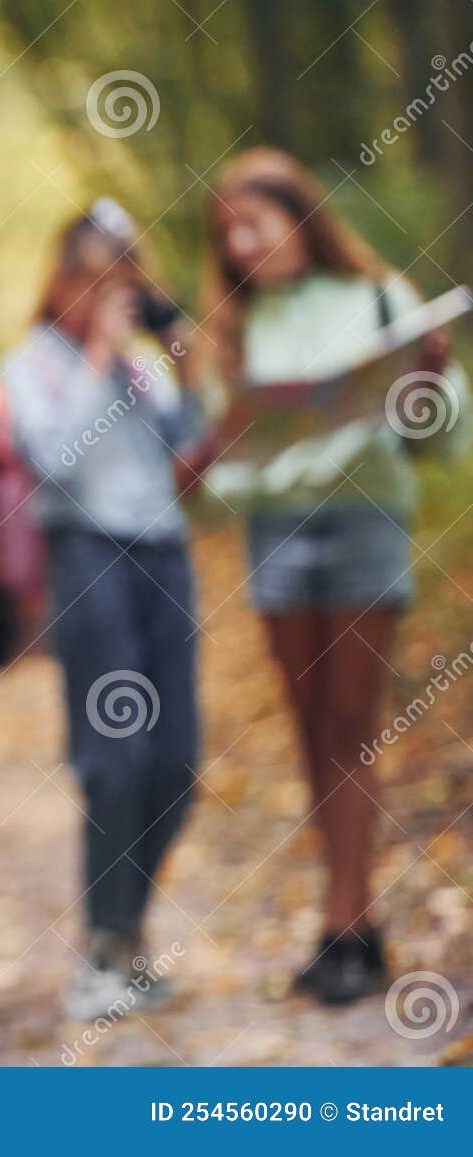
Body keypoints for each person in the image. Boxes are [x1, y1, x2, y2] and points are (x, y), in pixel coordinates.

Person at [200, 147, 469, 1004]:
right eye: (228, 233)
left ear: (300, 215)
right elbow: (217, 471)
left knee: (352, 722)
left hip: (365, 520)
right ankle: (344, 913)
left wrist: (428, 378)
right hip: (277, 530)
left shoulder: (380, 297)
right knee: (312, 728)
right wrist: (227, 451)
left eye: (256, 222)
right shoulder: (234, 329)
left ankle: (348, 920)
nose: (243, 245)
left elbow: (442, 438)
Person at [1, 200, 208, 1021]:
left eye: (124, 277)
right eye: (94, 278)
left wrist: (186, 367)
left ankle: (125, 931)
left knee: (178, 763)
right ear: (62, 280)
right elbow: (56, 459)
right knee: (116, 755)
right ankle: (102, 948)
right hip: (88, 556)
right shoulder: (35, 362)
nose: (111, 295)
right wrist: (98, 353)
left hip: (165, 552)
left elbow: (187, 444)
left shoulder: (138, 368)